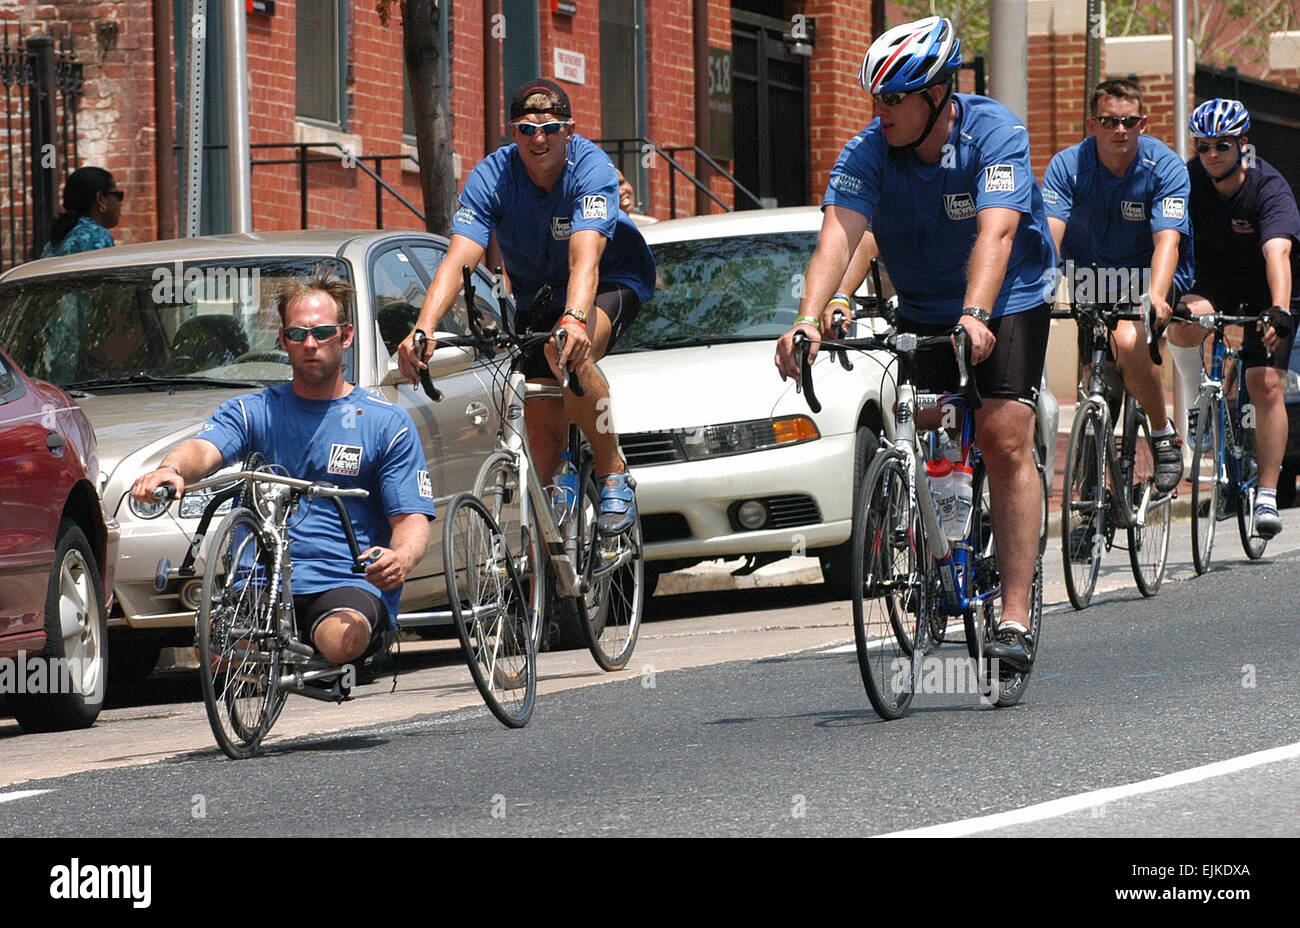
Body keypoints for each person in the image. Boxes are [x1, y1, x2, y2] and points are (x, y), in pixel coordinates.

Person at [774, 16, 1056, 665]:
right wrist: (808, 319)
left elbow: (997, 235)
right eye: (876, 98)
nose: (882, 112)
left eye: (895, 98)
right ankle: (941, 548)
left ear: (938, 95)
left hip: (1007, 295)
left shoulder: (994, 133)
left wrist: (978, 312)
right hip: (925, 303)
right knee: (934, 425)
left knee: (1002, 434)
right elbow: (838, 238)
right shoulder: (868, 152)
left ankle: (1013, 614)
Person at [131, 270, 435, 669]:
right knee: (218, 654)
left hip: (343, 579)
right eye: (297, 334)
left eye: (323, 332)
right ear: (283, 341)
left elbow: (412, 518)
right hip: (262, 580)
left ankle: (320, 642)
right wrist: (171, 469)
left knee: (341, 641)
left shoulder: (386, 423)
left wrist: (401, 558)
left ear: (346, 337)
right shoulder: (254, 411)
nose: (310, 344)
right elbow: (204, 449)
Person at [397, 78, 656, 535]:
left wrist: (576, 318)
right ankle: (552, 544)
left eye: (551, 129)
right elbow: (459, 257)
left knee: (566, 352)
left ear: (569, 131)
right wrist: (425, 326)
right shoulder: (491, 177)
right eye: (526, 129)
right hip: (537, 294)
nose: (539, 139)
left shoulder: (591, 168)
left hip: (608, 282)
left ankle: (612, 470)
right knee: (539, 416)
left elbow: (585, 256)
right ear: (512, 133)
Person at [1042, 79, 1193, 494]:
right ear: (1093, 124)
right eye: (1109, 121)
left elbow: (1168, 240)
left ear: (1143, 123)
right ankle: (1093, 499)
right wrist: (1041, 287)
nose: (1120, 130)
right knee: (1096, 382)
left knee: (1128, 343)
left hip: (1150, 274)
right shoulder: (1067, 166)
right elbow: (1050, 235)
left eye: (1129, 121)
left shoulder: (1164, 167)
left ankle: (1162, 435)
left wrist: (1158, 296)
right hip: (1091, 277)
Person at [1167, 98, 1300, 538]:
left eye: (1221, 146)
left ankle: (1265, 492)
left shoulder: (1268, 187)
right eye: (1202, 147)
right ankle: (1193, 409)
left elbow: (1277, 252)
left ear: (1243, 144)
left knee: (1264, 384)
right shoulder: (1188, 180)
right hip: (1215, 282)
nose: (1211, 155)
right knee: (1182, 322)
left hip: (1266, 288)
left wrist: (1278, 309)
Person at [42, 166, 121, 257]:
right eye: (118, 195)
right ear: (100, 199)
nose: (120, 203)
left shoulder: (54, 243)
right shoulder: (97, 236)